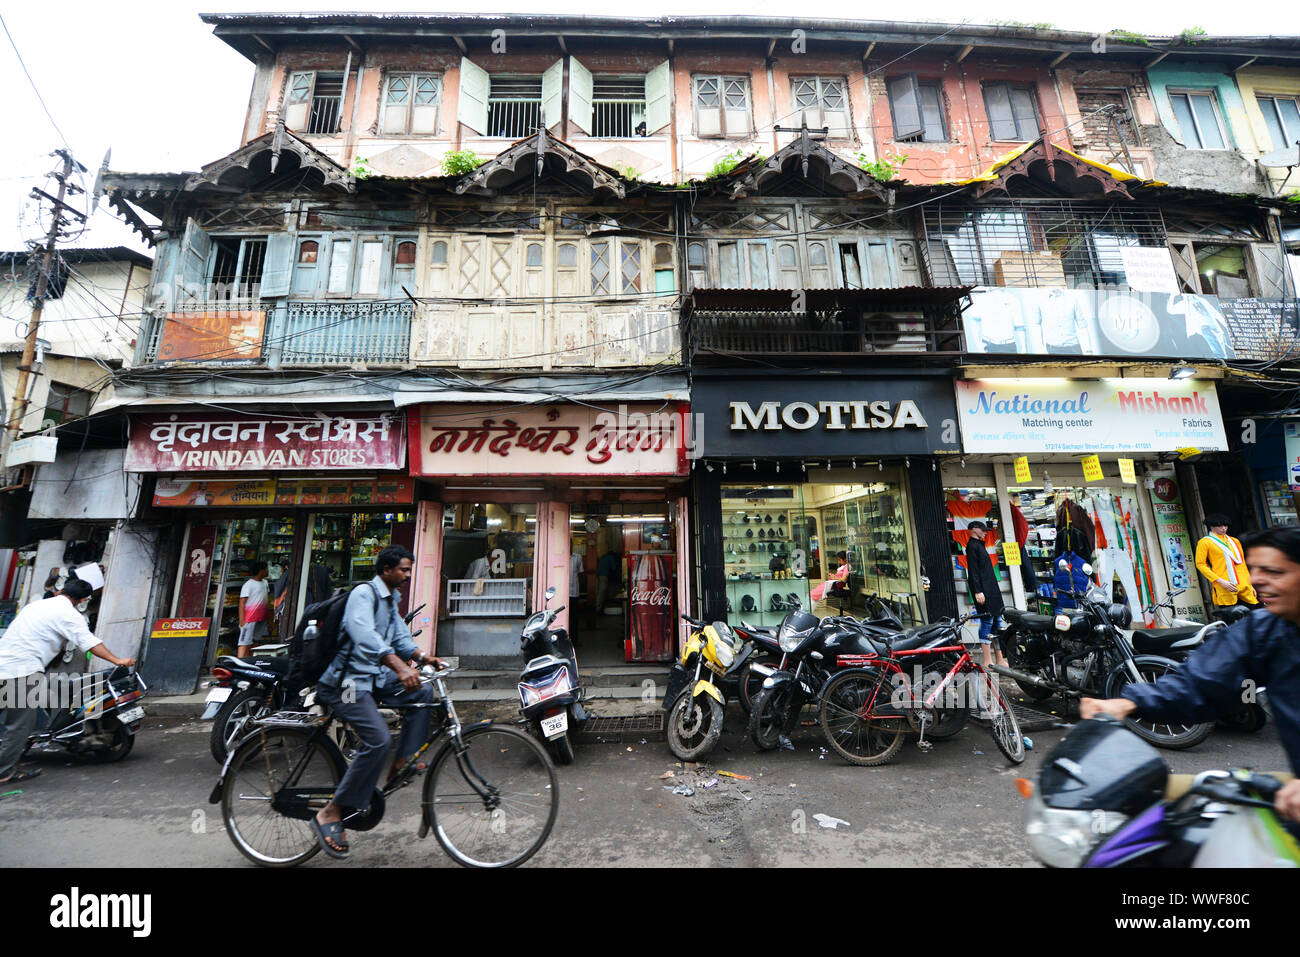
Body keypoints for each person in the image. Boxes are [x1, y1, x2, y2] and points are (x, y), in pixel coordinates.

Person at [1082, 525, 1300, 825]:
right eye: (1255, 569)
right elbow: (1204, 678)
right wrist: (1129, 703)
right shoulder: (1264, 628)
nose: (1258, 580)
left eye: (1274, 572)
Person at [312, 545, 445, 859]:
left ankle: (402, 762)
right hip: (347, 683)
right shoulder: (364, 594)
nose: (408, 575)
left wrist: (422, 657)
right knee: (378, 740)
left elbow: (399, 638)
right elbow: (364, 635)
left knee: (423, 692)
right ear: (386, 570)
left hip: (372, 678)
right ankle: (331, 812)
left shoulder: (391, 599)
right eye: (404, 569)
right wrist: (399, 666)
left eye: (409, 570)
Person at [0, 577, 136, 784]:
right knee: (19, 726)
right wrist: (118, 660)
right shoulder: (69, 615)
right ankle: (5, 772)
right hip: (21, 671)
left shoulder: (34, 606)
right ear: (83, 600)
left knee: (27, 717)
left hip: (6, 665)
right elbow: (90, 643)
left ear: (61, 590)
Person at [1195, 513, 1261, 622]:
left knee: (1253, 617)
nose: (1223, 528)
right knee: (1230, 620)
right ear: (1211, 526)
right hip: (1225, 585)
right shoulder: (1205, 542)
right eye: (1219, 526)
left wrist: (1250, 584)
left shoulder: (1235, 541)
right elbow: (1200, 564)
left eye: (1225, 525)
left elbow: (1242, 563)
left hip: (1244, 585)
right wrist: (1219, 581)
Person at [964, 521, 1007, 669]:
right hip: (984, 590)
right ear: (973, 529)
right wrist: (977, 591)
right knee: (987, 621)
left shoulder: (979, 545)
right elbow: (973, 571)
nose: (985, 532)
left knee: (997, 622)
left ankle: (1000, 658)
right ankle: (987, 660)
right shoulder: (972, 546)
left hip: (992, 589)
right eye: (982, 529)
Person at [236, 562, 271, 659]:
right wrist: (242, 619)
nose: (268, 571)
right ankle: (240, 663)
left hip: (260, 618)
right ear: (261, 571)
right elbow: (242, 602)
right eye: (266, 569)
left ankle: (248, 661)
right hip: (249, 619)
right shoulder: (248, 585)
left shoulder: (265, 583)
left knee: (254, 642)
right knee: (244, 642)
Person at [811, 551, 850, 618]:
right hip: (832, 583)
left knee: (816, 593)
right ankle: (810, 606)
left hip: (835, 585)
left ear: (845, 559)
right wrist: (833, 576)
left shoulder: (847, 567)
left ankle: (810, 608)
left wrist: (834, 577)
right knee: (815, 591)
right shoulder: (843, 566)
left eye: (840, 560)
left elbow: (844, 579)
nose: (839, 562)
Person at [594, 548, 619, 613]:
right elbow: (614, 568)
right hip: (603, 576)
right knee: (601, 593)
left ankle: (596, 607)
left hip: (597, 576)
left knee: (597, 592)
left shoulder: (603, 557)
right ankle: (598, 609)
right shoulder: (610, 558)